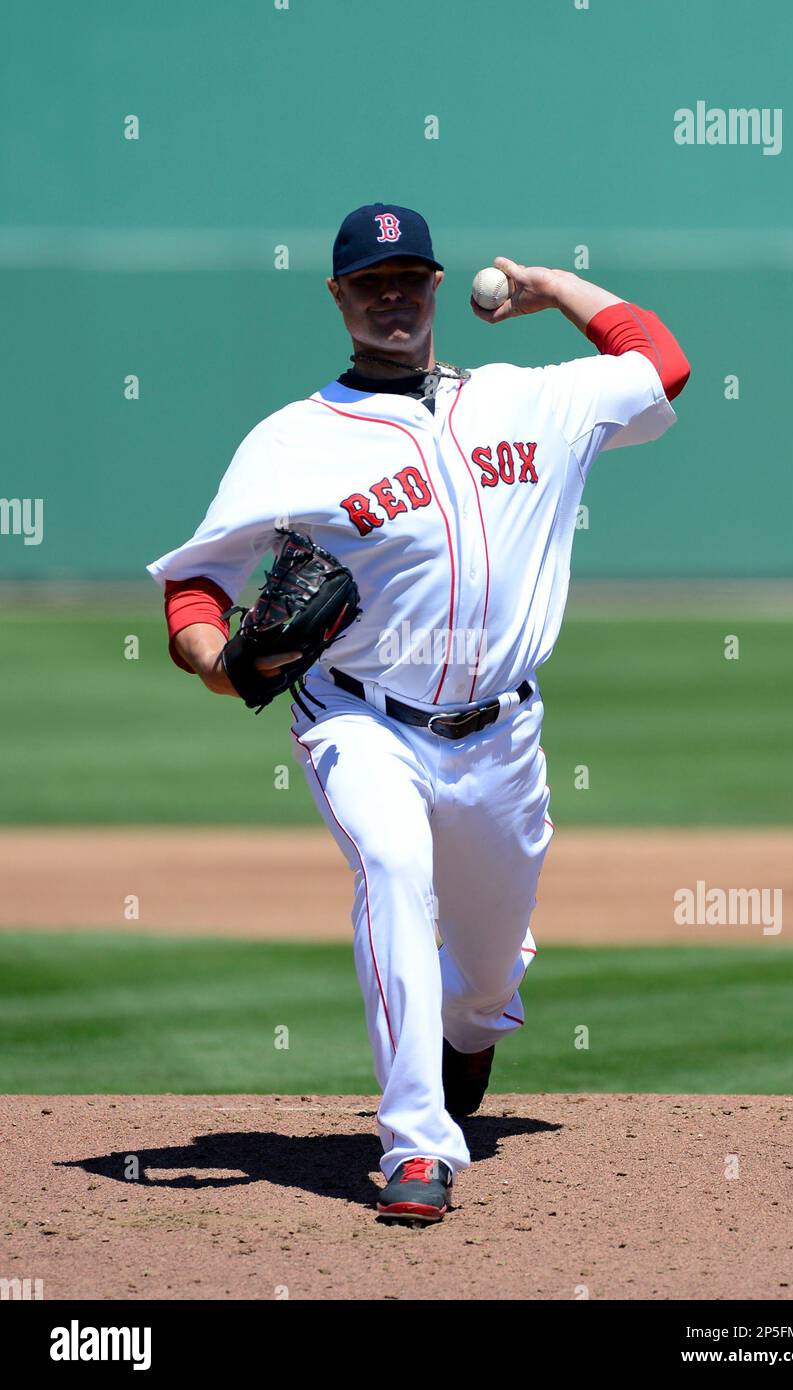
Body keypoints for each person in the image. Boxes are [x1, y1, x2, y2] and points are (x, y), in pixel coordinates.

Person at [147, 202, 690, 1223]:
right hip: (360, 721)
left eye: (408, 279)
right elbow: (194, 589)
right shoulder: (290, 441)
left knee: (483, 976)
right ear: (339, 298)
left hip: (501, 735)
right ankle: (415, 1145)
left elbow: (659, 362)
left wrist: (553, 287)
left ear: (438, 287)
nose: (390, 297)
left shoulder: (529, 402)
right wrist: (218, 663)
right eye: (370, 283)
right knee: (391, 869)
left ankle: (472, 1026)